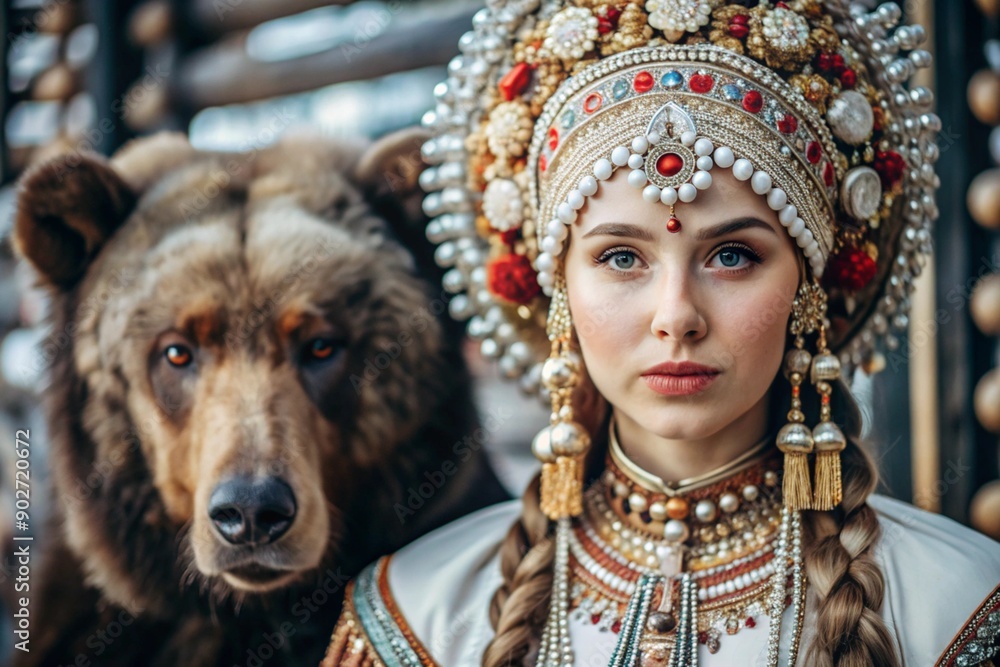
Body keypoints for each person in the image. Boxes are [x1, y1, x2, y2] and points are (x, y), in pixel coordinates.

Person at [321, 1, 1000, 665]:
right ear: (558, 289)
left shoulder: (958, 609)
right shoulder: (420, 614)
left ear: (810, 290)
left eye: (732, 255)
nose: (676, 314)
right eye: (621, 257)